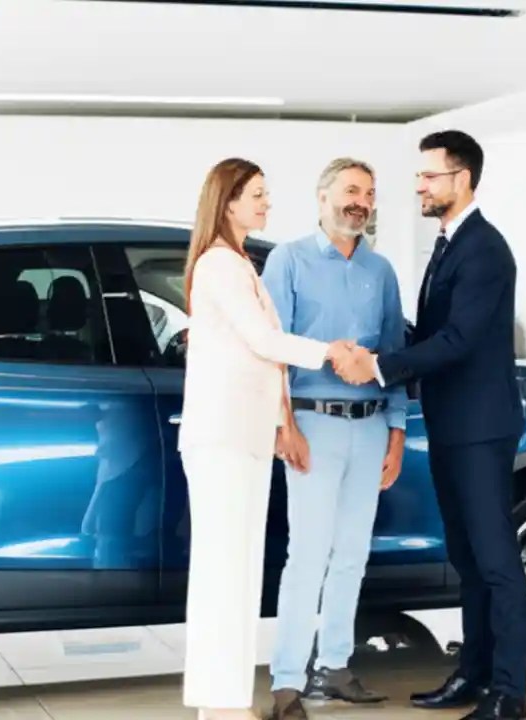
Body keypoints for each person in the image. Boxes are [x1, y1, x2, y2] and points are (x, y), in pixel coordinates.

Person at [337, 130, 526, 720]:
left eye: (429, 175)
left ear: (462, 179)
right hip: (452, 425)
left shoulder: (485, 249)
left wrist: (378, 365)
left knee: (496, 562)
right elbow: (435, 333)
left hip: (480, 427)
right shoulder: (450, 243)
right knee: (469, 560)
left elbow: (459, 340)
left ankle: (509, 694)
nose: (418, 185)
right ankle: (473, 675)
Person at [177, 157, 354, 720]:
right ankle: (220, 706)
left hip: (243, 438)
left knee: (237, 573)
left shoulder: (238, 264)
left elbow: (262, 355)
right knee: (223, 576)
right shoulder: (220, 266)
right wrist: (330, 351)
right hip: (224, 439)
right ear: (227, 202)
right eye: (256, 194)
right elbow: (263, 340)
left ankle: (224, 702)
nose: (266, 202)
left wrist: (280, 423)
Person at [260, 158, 407, 720]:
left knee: (351, 555)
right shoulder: (289, 260)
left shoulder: (383, 270)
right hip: (313, 424)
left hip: (370, 428)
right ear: (322, 198)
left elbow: (393, 356)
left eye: (369, 194)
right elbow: (272, 348)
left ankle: (337, 666)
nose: (361, 202)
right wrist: (284, 426)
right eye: (350, 191)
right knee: (308, 555)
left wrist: (396, 432)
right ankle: (288, 682)